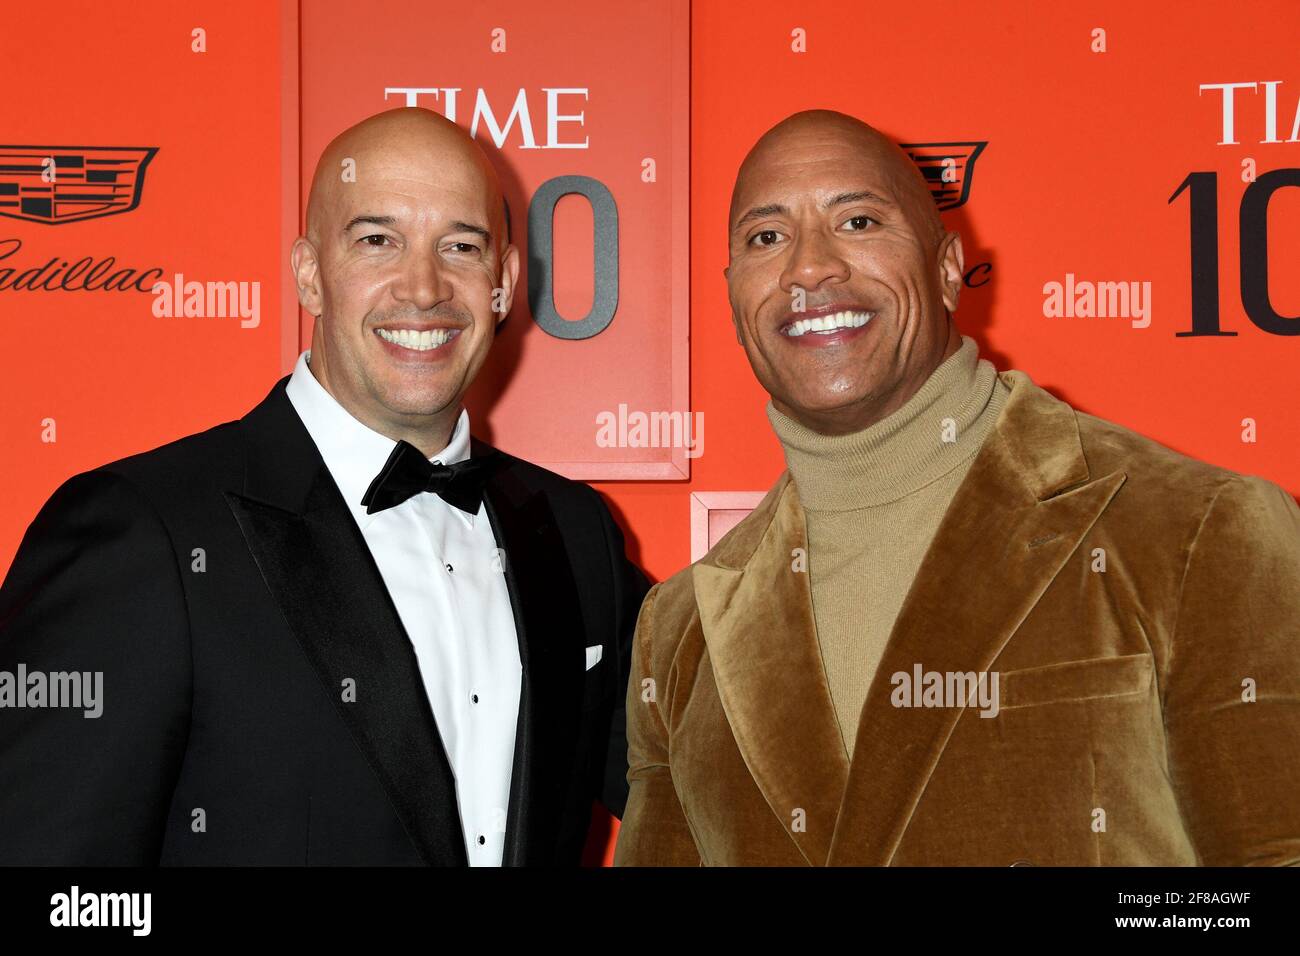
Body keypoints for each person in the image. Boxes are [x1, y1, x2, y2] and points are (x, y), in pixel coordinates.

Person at [614, 109, 1300, 866]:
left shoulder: (1201, 530)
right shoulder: (677, 630)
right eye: (766, 237)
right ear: (735, 296)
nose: (809, 268)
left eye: (859, 220)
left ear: (947, 268)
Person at [0, 107, 648, 866]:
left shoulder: (573, 535)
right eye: (378, 240)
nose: (423, 287)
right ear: (310, 274)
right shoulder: (145, 532)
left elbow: (710, 785)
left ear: (504, 284)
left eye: (461, 247)